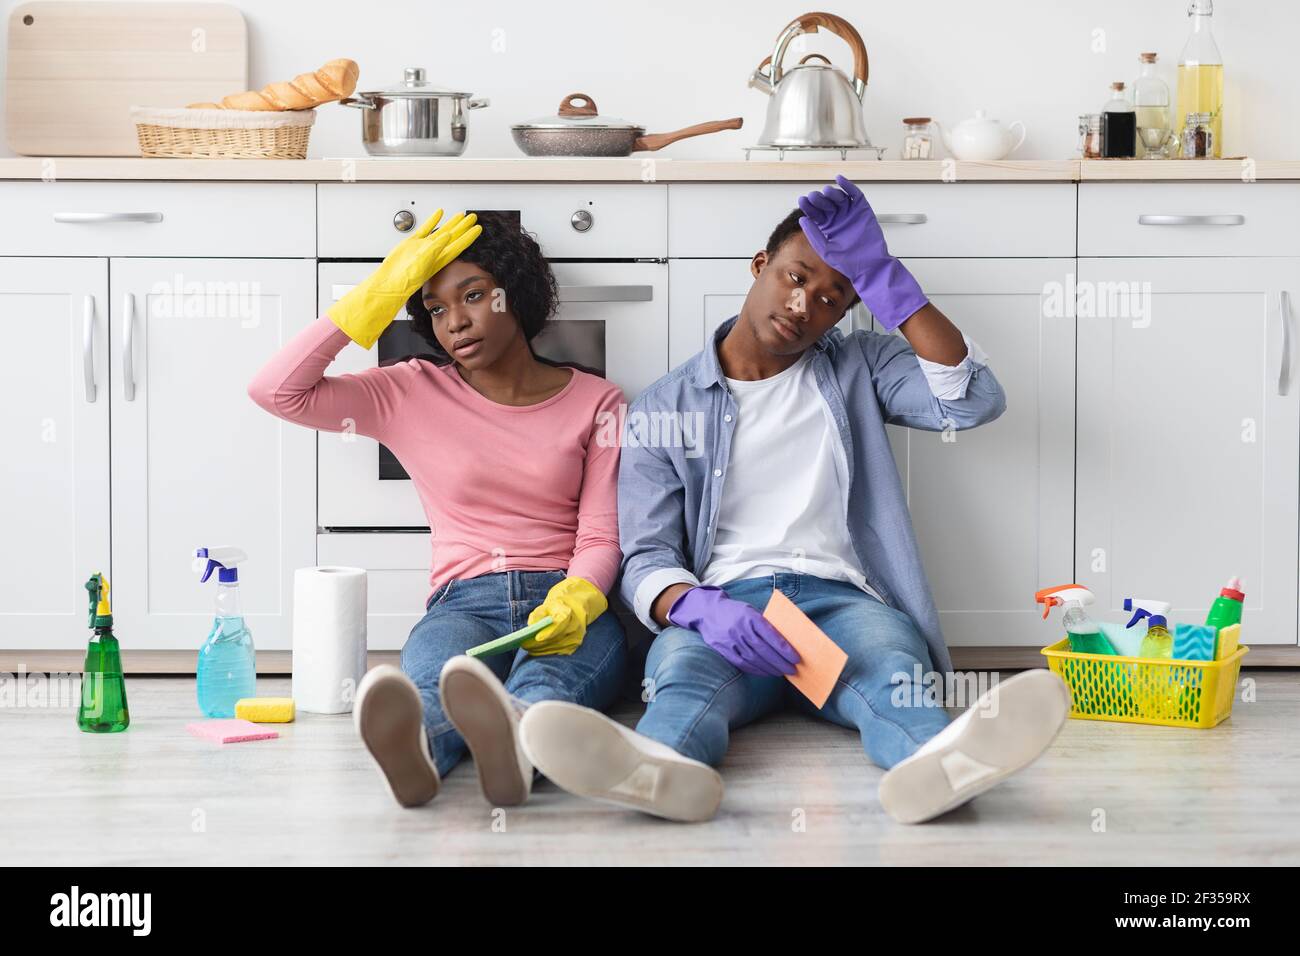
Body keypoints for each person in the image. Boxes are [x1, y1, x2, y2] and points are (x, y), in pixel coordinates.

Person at [518, 176, 1071, 825]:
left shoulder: (859, 364)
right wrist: (696, 606)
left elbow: (972, 399)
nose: (806, 303)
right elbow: (644, 557)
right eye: (795, 277)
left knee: (893, 671)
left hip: (844, 602)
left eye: (833, 297)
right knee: (684, 677)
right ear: (760, 266)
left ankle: (942, 766)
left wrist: (885, 277)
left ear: (844, 314)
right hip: (728, 608)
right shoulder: (664, 407)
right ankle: (657, 771)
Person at [248, 210, 627, 810]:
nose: (455, 322)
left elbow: (603, 534)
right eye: (435, 308)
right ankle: (422, 754)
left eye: (473, 296)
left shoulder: (598, 400)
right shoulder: (408, 390)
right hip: (464, 600)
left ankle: (516, 750)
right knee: (435, 685)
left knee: (547, 688)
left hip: (569, 603)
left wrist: (580, 596)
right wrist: (369, 300)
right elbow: (276, 391)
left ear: (516, 295)